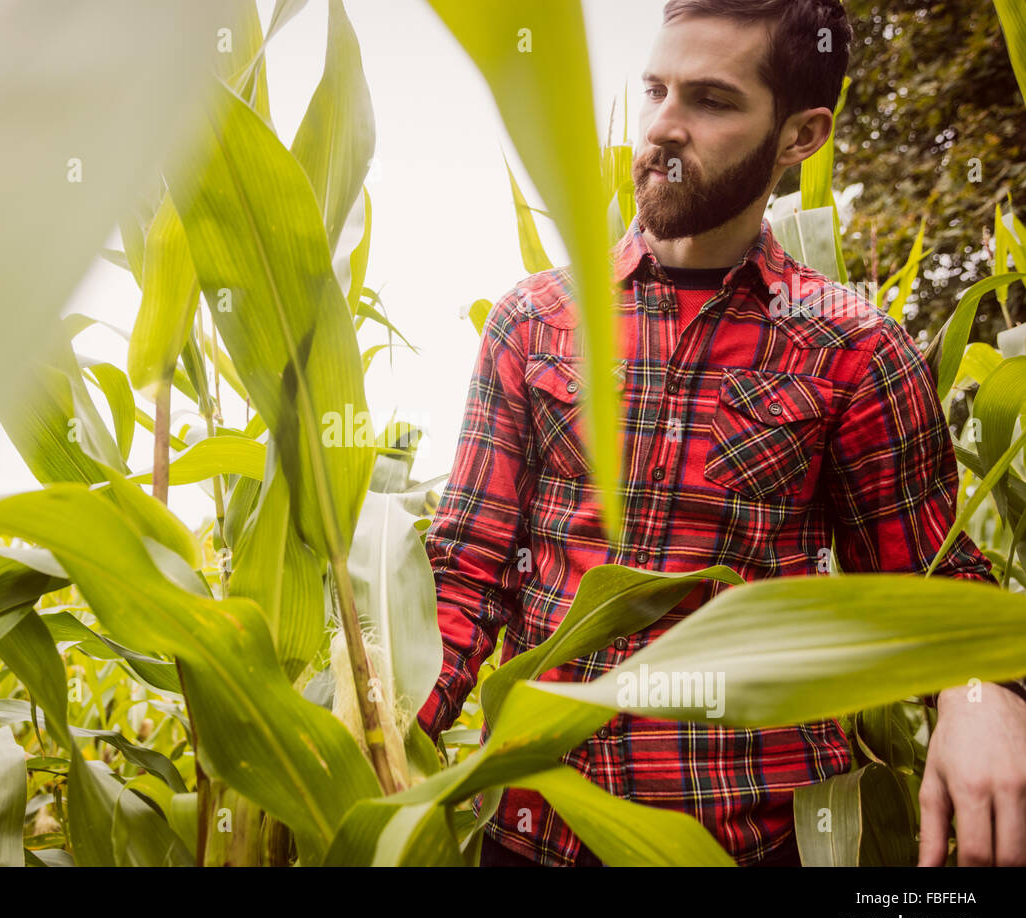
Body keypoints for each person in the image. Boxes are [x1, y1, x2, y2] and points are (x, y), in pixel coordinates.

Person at [417, 0, 1026, 867]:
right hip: (537, 832)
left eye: (710, 100)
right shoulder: (535, 323)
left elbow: (935, 582)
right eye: (657, 88)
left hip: (756, 842)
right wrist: (370, 741)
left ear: (800, 135)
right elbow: (467, 572)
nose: (663, 126)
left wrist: (983, 691)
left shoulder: (856, 352)